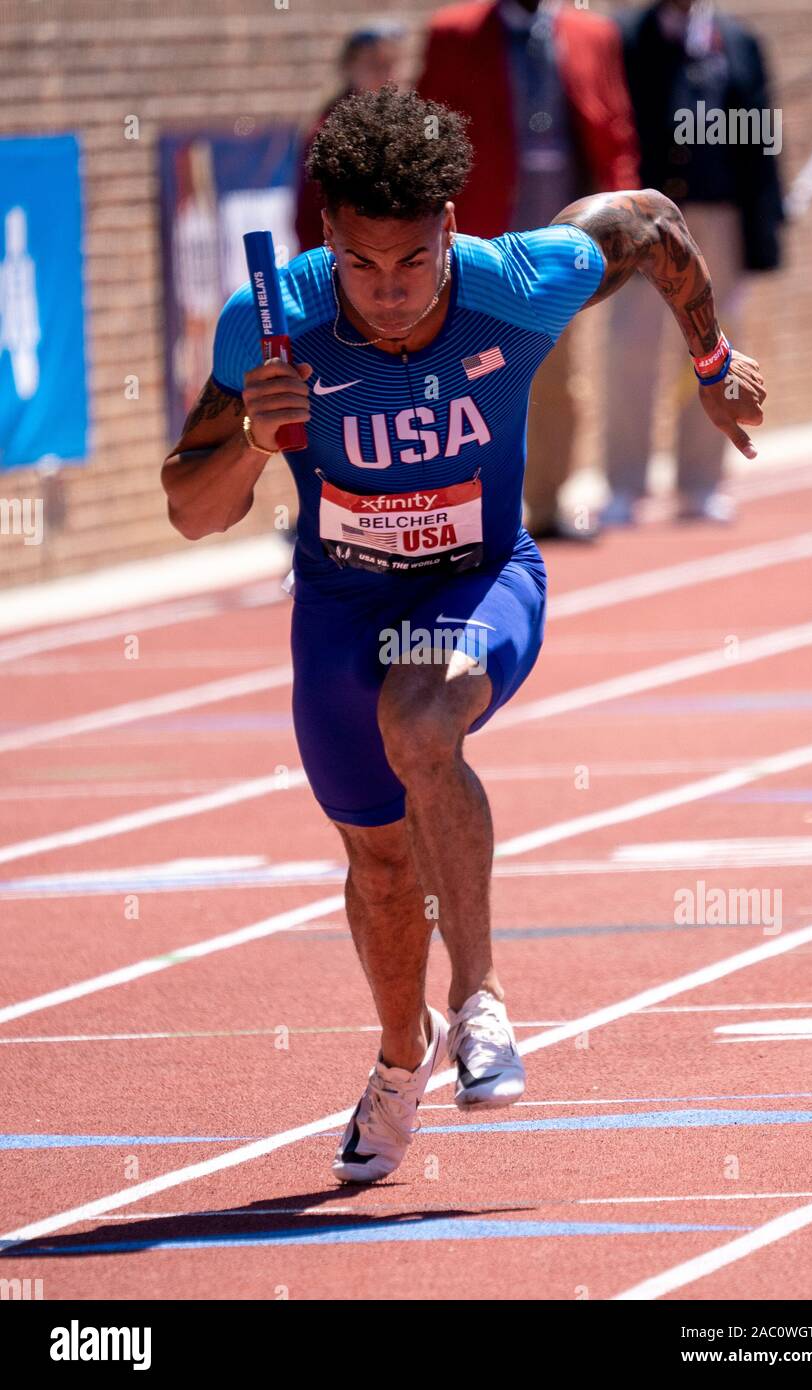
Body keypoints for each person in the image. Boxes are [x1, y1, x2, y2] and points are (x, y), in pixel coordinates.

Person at [160, 85, 764, 1184]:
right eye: (360, 268)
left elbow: (656, 226)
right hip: (339, 609)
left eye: (410, 266)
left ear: (449, 231)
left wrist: (712, 365)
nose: (387, 297)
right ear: (324, 240)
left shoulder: (520, 281)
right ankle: (400, 1064)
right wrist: (254, 434)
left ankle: (478, 994)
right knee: (380, 866)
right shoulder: (267, 321)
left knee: (423, 716)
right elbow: (191, 510)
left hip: (479, 578)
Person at [415, 0, 640, 540]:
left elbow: (617, 132)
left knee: (558, 380)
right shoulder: (453, 34)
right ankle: (463, 510)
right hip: (477, 246)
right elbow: (426, 136)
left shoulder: (593, 34)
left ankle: (544, 506)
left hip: (562, 254)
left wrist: (617, 226)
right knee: (468, 376)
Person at [600, 0, 784, 526]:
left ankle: (702, 483)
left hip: (719, 220)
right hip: (642, 218)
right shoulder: (624, 37)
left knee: (718, 352)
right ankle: (624, 486)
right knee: (630, 347)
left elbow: (762, 144)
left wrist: (760, 243)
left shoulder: (738, 42)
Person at [295, 22, 408, 255]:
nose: (385, 74)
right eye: (374, 64)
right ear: (349, 67)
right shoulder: (328, 131)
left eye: (390, 64)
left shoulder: (403, 122)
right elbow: (310, 216)